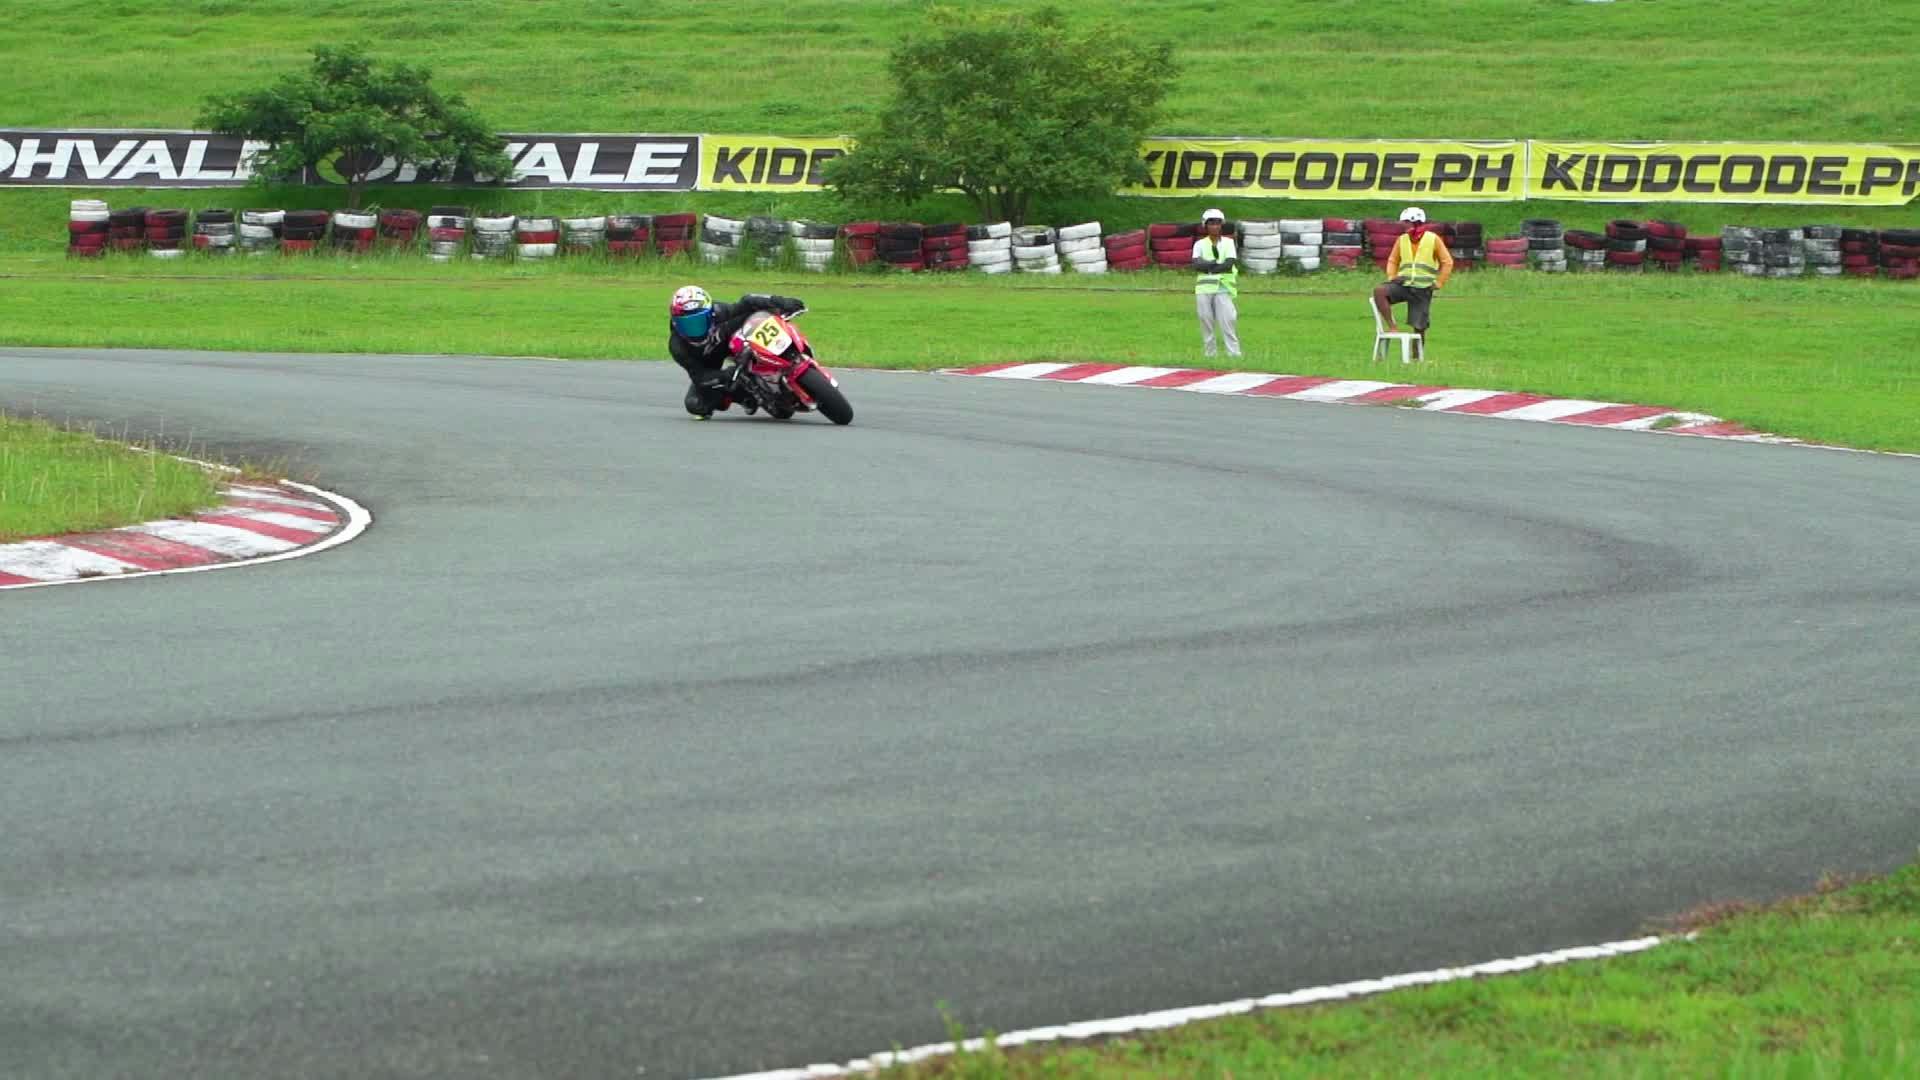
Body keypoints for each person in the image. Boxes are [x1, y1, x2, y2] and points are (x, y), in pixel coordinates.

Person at [668, 285, 806, 418]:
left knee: (757, 316)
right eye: (687, 324)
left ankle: (788, 355)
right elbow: (699, 376)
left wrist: (781, 302)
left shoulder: (721, 311)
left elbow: (747, 302)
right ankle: (745, 397)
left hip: (734, 342)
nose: (695, 329)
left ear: (711, 314)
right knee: (695, 405)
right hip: (709, 363)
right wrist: (726, 375)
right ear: (675, 323)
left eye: (699, 321)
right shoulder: (678, 347)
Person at [1374, 207, 1454, 346]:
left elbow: (1447, 262)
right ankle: (1392, 327)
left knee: (1419, 327)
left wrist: (1438, 283)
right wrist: (1392, 276)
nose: (1402, 225)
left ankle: (1417, 358)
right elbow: (1393, 260)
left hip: (1423, 288)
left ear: (1415, 222)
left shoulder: (1433, 239)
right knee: (1379, 291)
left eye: (1405, 222)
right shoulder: (1402, 240)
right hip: (1403, 285)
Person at [1191, 208, 1241, 359]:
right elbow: (1196, 264)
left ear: (1222, 225)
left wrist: (1209, 266)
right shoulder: (1199, 244)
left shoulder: (1228, 243)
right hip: (1204, 288)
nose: (1215, 226)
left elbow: (1229, 263)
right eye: (1211, 223)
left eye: (1218, 223)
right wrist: (1214, 265)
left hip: (1223, 287)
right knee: (1206, 321)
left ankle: (1234, 354)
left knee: (1228, 320)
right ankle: (1210, 354)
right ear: (1205, 226)